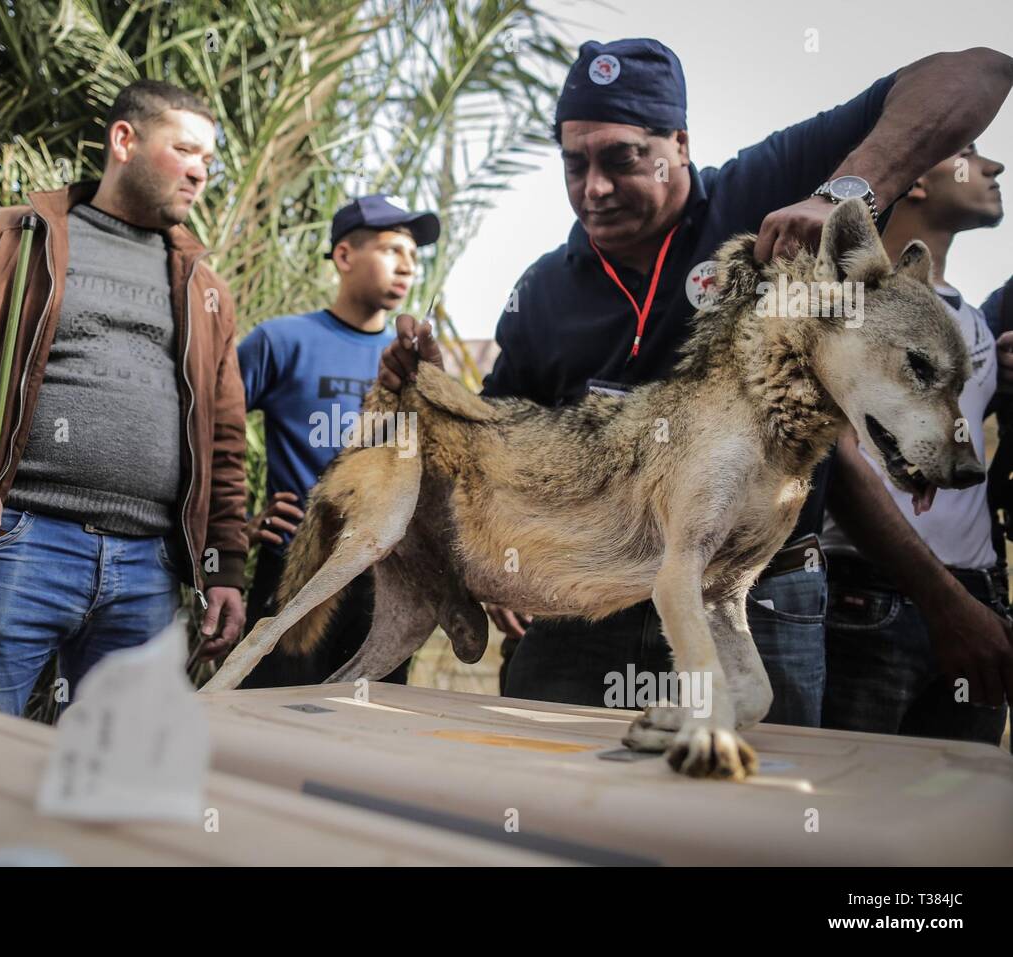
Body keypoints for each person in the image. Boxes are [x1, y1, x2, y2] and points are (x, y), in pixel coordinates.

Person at [378, 39, 1013, 723]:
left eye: (621, 158)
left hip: (752, 597)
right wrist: (440, 395)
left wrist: (845, 191)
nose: (592, 188)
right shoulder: (539, 289)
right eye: (574, 163)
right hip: (581, 606)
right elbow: (500, 439)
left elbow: (981, 70)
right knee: (558, 804)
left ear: (679, 144)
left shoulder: (763, 188)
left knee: (750, 809)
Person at [0, 80, 247, 714]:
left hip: (149, 570)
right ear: (124, 140)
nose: (199, 171)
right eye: (185, 150)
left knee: (113, 788)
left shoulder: (206, 289)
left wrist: (222, 567)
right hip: (13, 541)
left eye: (208, 162)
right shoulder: (2, 240)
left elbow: (222, 441)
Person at [821, 144, 1010, 745]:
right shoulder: (855, 306)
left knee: (958, 823)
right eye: (969, 153)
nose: (995, 168)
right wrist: (946, 605)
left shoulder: (975, 319)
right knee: (854, 820)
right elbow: (840, 459)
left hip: (977, 598)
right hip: (873, 600)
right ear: (919, 178)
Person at [238, 195, 439, 687]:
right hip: (295, 569)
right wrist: (234, 530)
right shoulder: (280, 341)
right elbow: (204, 434)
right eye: (393, 250)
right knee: (272, 721)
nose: (407, 267)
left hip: (384, 578)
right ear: (345, 256)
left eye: (414, 257)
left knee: (369, 732)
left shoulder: (417, 362)